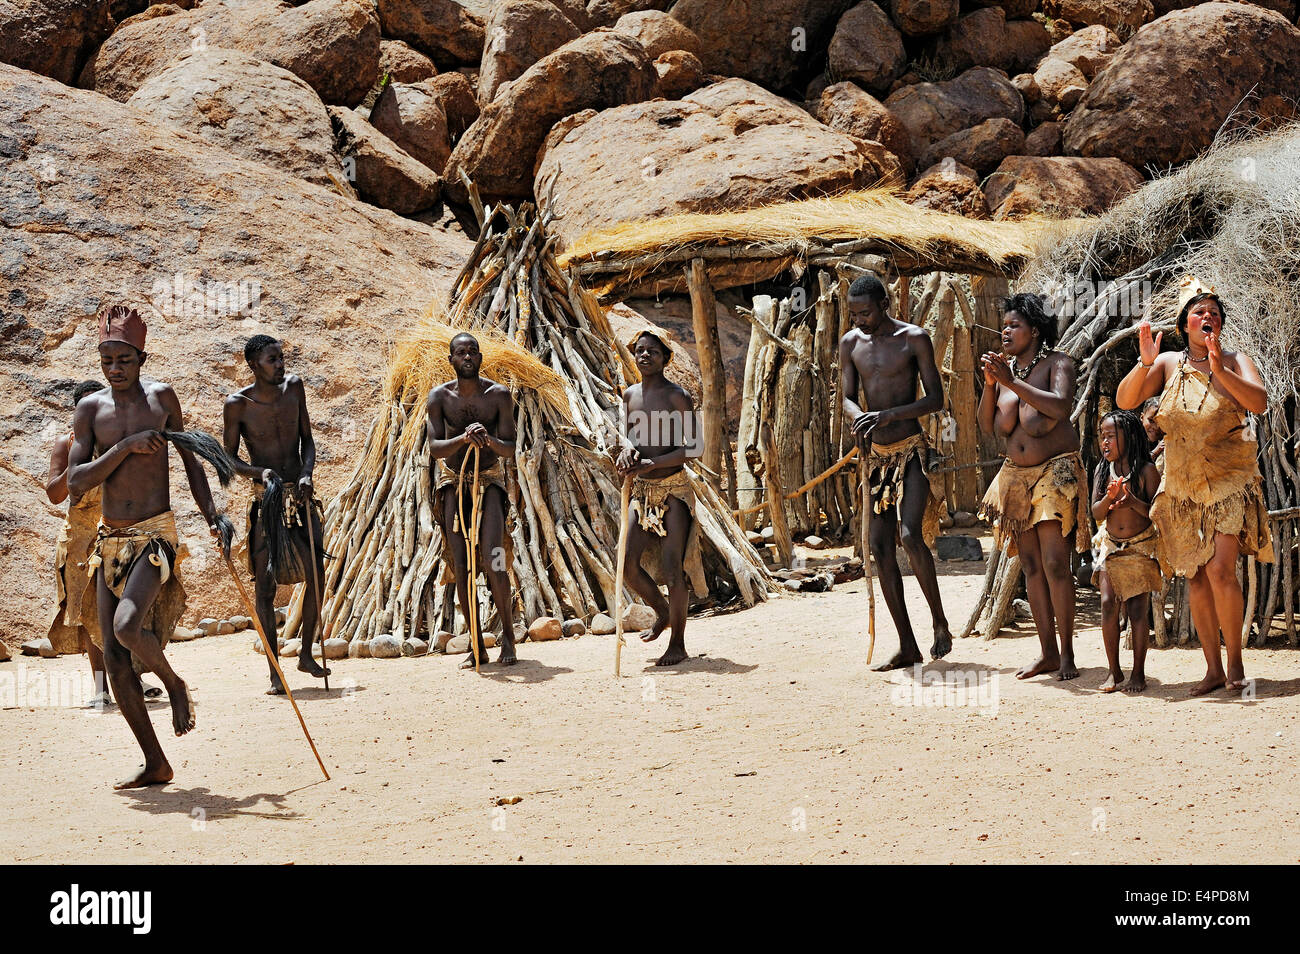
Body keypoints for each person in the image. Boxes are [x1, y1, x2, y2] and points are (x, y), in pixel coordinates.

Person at [68, 305, 220, 788]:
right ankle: (156, 762)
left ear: (141, 357)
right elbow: (74, 482)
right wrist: (124, 448)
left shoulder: (161, 399)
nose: (114, 368)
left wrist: (213, 515)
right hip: (109, 539)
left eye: (124, 359)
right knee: (113, 658)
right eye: (106, 359)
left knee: (128, 626)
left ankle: (174, 684)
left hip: (156, 532)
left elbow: (192, 462)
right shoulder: (91, 410)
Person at [1116, 276, 1273, 694]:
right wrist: (1145, 362)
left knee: (1222, 569)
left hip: (1228, 481)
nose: (1208, 318)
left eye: (1214, 314)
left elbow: (1258, 403)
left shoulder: (1238, 360)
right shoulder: (1168, 364)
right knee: (1198, 577)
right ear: (1186, 324)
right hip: (1183, 486)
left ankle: (1236, 665)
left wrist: (1221, 368)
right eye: (1199, 313)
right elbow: (1126, 401)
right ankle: (1213, 669)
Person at [838, 273, 951, 669]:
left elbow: (936, 399)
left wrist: (889, 414)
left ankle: (939, 621)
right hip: (876, 458)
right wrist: (860, 418)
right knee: (879, 548)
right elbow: (847, 399)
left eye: (865, 313)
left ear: (884, 305)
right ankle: (907, 644)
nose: (858, 321)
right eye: (853, 314)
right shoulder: (850, 344)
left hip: (910, 450)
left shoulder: (914, 338)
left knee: (909, 535)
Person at [978, 293, 1089, 680]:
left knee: (1056, 561)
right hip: (1015, 475)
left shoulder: (1058, 363)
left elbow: (1059, 407)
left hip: (1054, 471)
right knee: (1029, 565)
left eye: (1015, 326)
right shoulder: (1005, 372)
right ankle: (1048, 653)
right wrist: (992, 385)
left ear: (1035, 332)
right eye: (1004, 325)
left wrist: (1013, 382)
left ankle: (1069, 654)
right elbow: (989, 427)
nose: (1006, 331)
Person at [223, 335, 328, 694]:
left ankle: (308, 653)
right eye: (272, 360)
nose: (280, 365)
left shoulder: (294, 388)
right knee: (265, 586)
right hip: (266, 502)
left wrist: (307, 473)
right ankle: (273, 671)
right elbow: (229, 459)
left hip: (299, 496)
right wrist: (258, 473)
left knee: (317, 573)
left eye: (281, 358)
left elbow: (308, 440)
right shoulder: (237, 404)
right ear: (253, 365)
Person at [425, 332, 519, 668]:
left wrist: (487, 440)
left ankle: (508, 636)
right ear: (450, 360)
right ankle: (476, 642)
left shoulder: (498, 395)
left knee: (494, 560)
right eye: (460, 353)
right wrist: (463, 438)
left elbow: (509, 448)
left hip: (489, 484)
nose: (467, 357)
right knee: (461, 566)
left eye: (473, 352)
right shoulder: (439, 397)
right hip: (453, 485)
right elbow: (435, 448)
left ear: (481, 358)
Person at [615, 329, 704, 667]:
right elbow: (628, 437)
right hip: (642, 491)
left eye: (653, 351)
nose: (645, 355)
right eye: (640, 350)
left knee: (672, 567)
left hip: (674, 489)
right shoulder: (630, 396)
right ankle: (662, 612)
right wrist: (627, 454)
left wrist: (654, 462)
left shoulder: (677, 396)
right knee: (628, 566)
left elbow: (694, 447)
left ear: (666, 359)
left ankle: (678, 644)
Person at [45, 380, 110, 707]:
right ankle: (101, 688)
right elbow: (55, 495)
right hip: (80, 535)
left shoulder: (116, 440)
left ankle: (133, 678)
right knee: (87, 614)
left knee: (123, 609)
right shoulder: (66, 444)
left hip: (112, 529)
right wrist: (76, 461)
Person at [1090, 410, 1161, 693]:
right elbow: (1096, 513)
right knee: (1108, 604)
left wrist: (1131, 501)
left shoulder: (1146, 471)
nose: (1104, 443)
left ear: (1129, 437)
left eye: (1111, 436)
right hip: (1110, 546)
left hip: (1140, 548)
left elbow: (1156, 514)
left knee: (1136, 610)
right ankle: (1114, 671)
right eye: (1101, 437)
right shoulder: (1101, 470)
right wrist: (1108, 498)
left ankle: (1139, 673)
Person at [1140, 397, 1165, 473]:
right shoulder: (1133, 438)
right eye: (1151, 420)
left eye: (1161, 422)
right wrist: (1156, 451)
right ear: (1142, 417)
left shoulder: (1168, 444)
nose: (1156, 427)